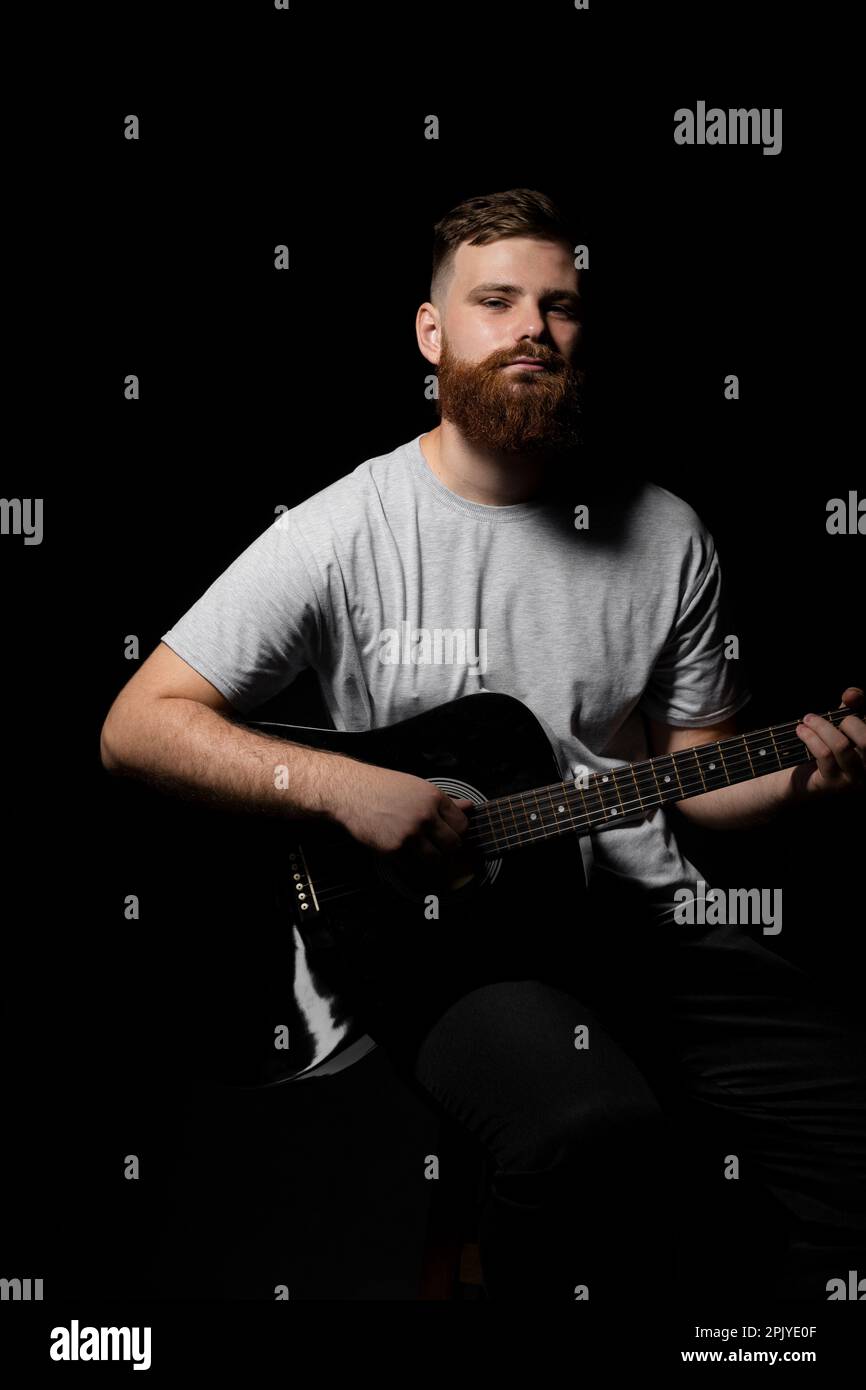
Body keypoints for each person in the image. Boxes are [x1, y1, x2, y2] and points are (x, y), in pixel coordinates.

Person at [100, 188, 866, 1302]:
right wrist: (342, 786)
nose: (530, 329)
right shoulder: (340, 530)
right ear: (432, 332)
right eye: (495, 300)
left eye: (558, 306)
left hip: (643, 920)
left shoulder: (666, 531)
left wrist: (803, 773)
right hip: (450, 938)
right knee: (587, 1131)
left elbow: (699, 777)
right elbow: (135, 726)